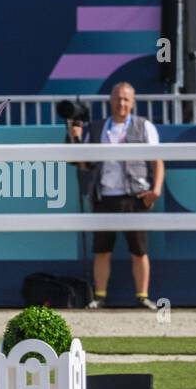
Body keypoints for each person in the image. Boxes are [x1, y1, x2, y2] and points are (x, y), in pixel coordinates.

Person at [71, 81, 163, 309]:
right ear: (111, 100)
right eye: (117, 98)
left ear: (132, 102)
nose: (121, 103)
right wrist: (75, 137)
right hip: (104, 196)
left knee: (139, 251)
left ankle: (142, 296)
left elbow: (158, 159)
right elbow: (84, 164)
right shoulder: (97, 127)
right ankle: (100, 297)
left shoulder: (145, 126)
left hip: (136, 196)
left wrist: (156, 190)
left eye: (125, 99)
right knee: (101, 250)